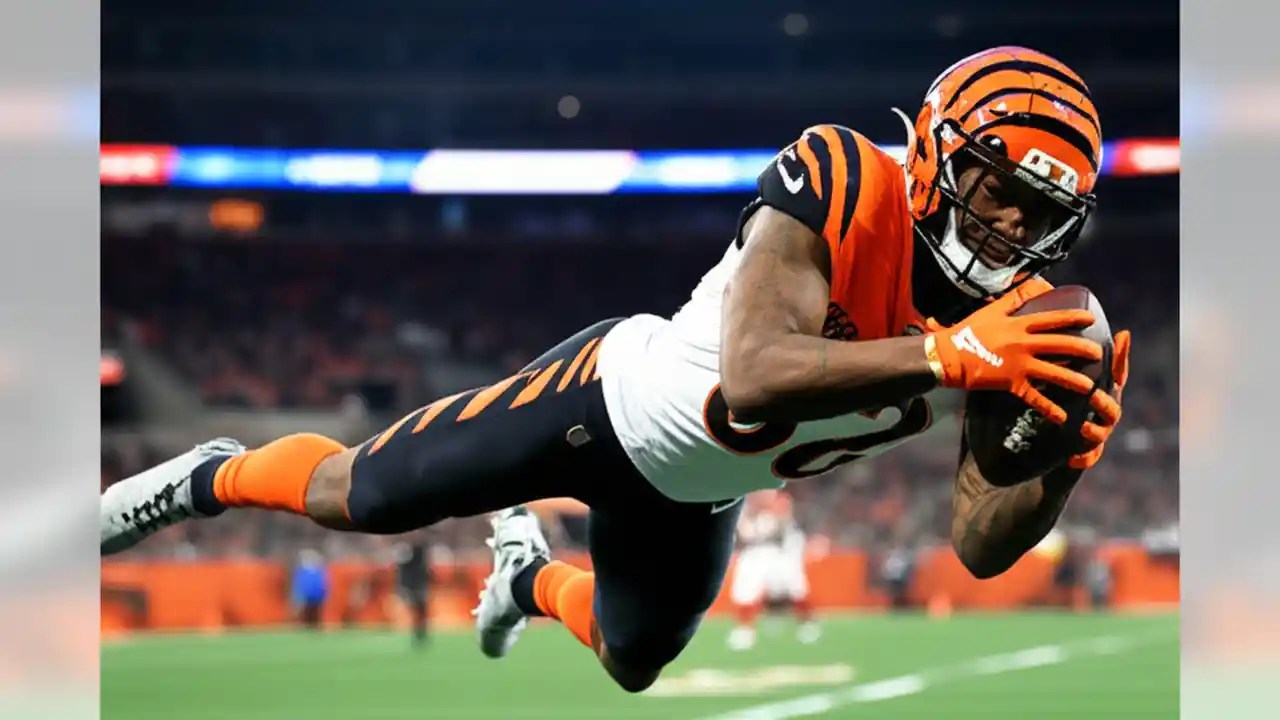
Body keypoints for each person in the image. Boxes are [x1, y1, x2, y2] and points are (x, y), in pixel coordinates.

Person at [101, 46, 1130, 694]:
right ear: (936, 155)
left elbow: (980, 547)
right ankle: (207, 476)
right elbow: (755, 374)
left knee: (632, 665)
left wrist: (1058, 465)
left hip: (699, 494)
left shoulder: (1013, 321)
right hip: (605, 402)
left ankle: (526, 577)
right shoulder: (841, 173)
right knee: (356, 495)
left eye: (1040, 215)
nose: (1008, 227)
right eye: (996, 187)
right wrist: (947, 354)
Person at [727, 490, 819, 651]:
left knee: (794, 589)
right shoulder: (745, 502)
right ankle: (745, 630)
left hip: (779, 551)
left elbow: (780, 520)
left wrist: (760, 508)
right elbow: (742, 529)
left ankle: (807, 623)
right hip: (754, 551)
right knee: (745, 591)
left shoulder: (779, 500)